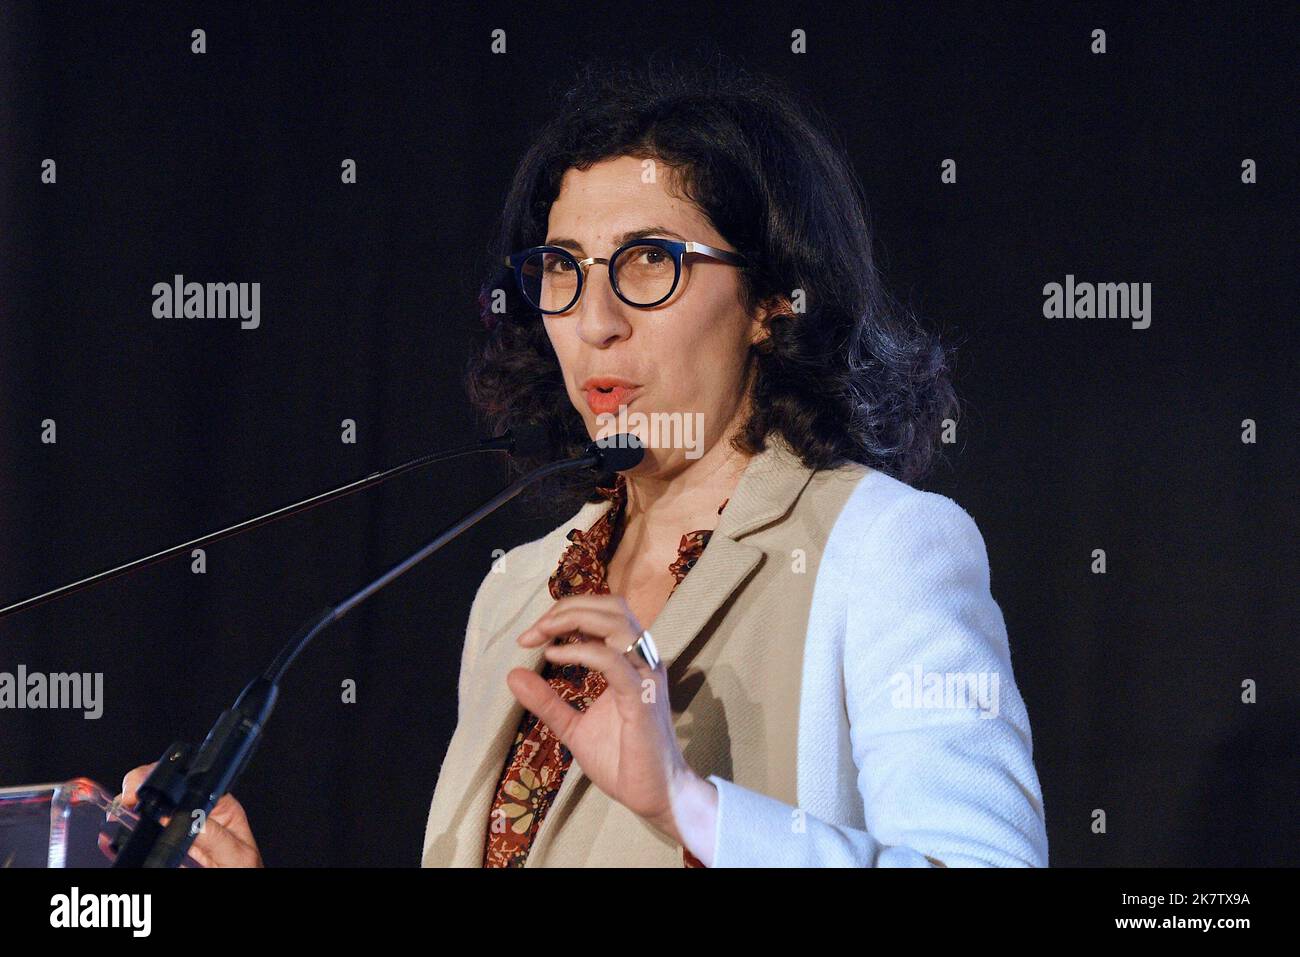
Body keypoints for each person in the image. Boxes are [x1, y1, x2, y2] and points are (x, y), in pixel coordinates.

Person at [120, 54, 1048, 868]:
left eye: (649, 261)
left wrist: (692, 807)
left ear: (773, 298)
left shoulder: (882, 547)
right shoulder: (519, 590)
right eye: (563, 268)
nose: (595, 321)